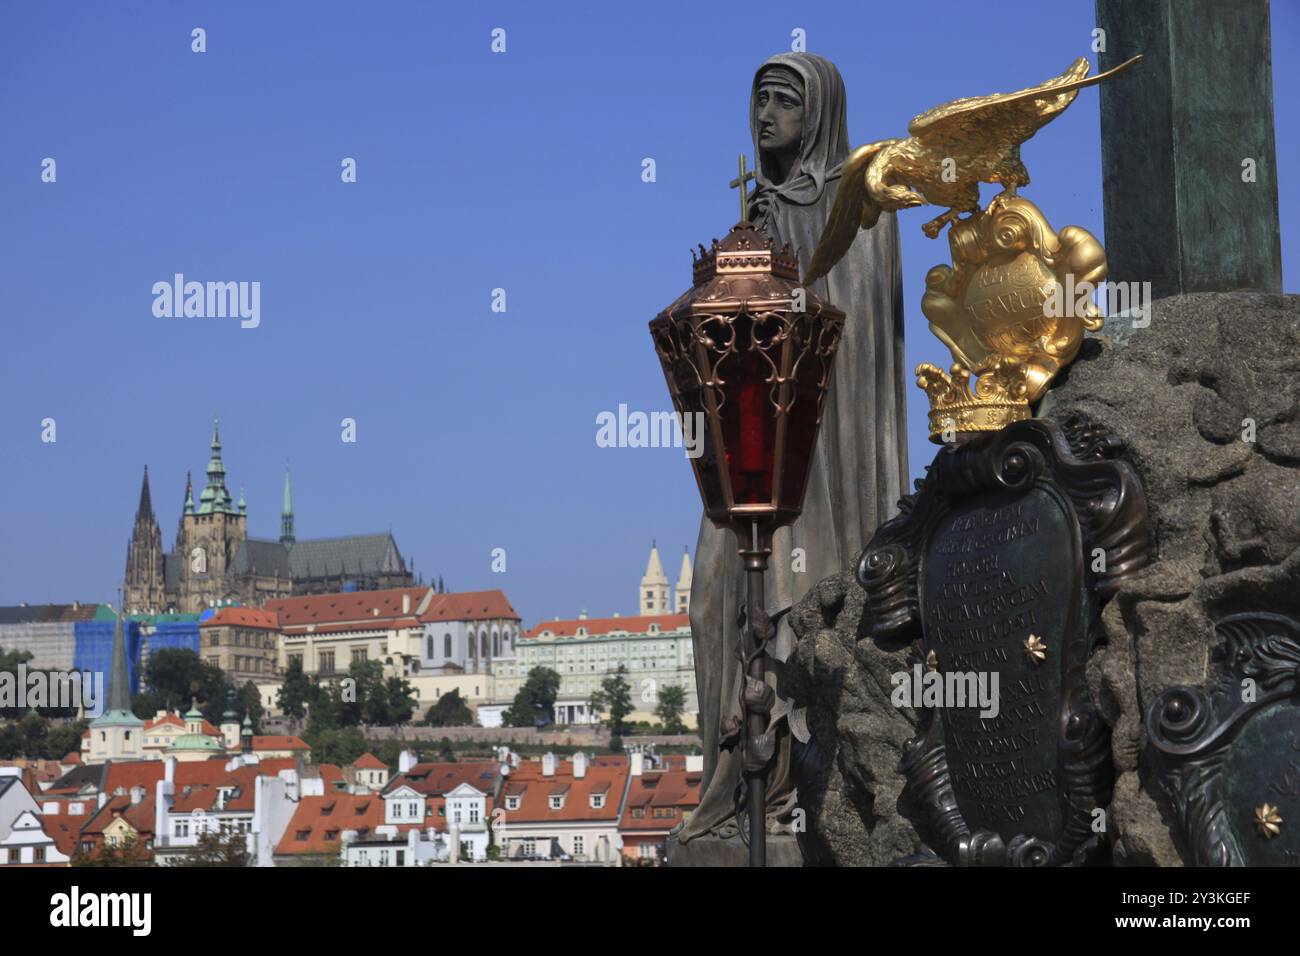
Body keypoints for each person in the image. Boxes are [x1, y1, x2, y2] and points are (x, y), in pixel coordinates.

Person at [675, 52, 908, 848]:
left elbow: (864, 338)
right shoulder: (760, 204)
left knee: (793, 617)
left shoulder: (862, 200)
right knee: (711, 594)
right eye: (760, 100)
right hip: (749, 450)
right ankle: (732, 782)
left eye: (784, 102)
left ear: (818, 112)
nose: (766, 115)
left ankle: (788, 791)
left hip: (821, 449)